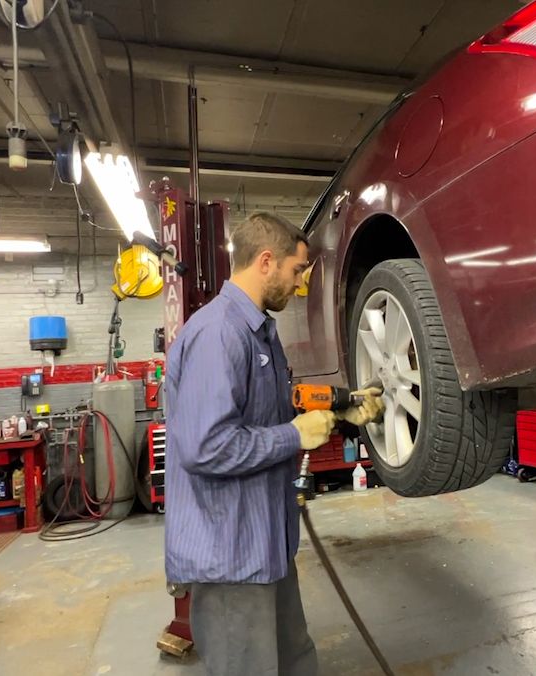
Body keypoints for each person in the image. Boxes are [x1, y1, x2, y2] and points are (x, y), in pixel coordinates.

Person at [163, 211, 382, 675]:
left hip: (266, 545)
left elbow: (271, 413)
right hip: (229, 558)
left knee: (294, 660)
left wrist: (339, 411)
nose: (301, 284)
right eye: (297, 270)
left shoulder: (259, 330)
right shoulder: (219, 334)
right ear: (266, 261)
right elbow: (206, 447)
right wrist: (293, 435)